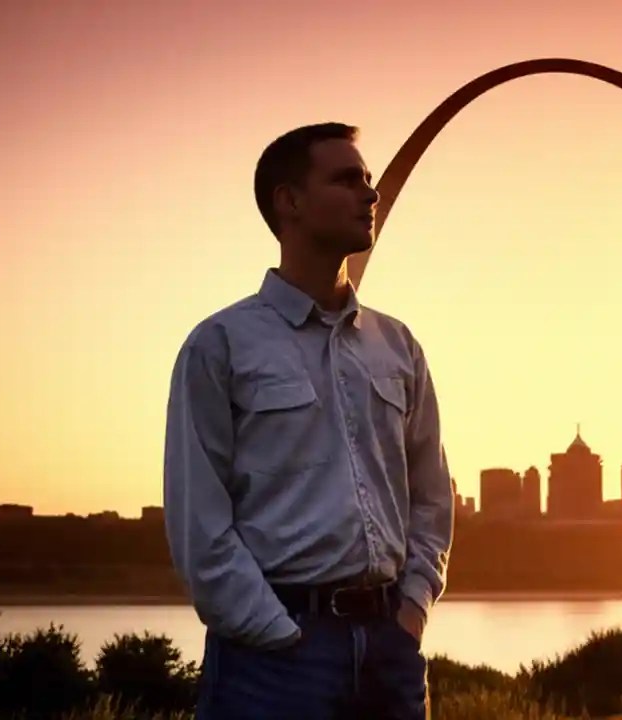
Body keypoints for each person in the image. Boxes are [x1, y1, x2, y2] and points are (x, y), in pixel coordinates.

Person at [162, 122, 453, 719]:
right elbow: (199, 521)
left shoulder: (398, 345)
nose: (369, 195)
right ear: (288, 202)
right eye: (347, 180)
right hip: (272, 661)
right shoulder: (220, 346)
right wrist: (277, 633)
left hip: (389, 650)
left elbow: (431, 498)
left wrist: (411, 612)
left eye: (369, 181)